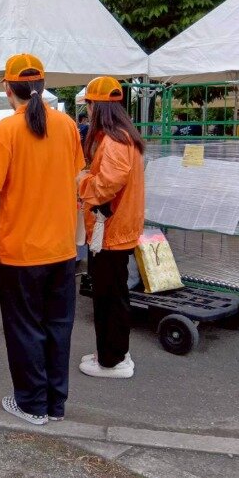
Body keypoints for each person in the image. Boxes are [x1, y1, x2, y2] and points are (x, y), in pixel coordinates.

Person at [0, 54, 85, 426]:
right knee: (58, 328)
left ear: (8, 88)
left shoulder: (5, 131)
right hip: (61, 249)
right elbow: (76, 177)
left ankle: (33, 404)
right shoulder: (67, 125)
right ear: (42, 84)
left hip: (22, 251)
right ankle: (55, 403)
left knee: (25, 330)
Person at [77, 76, 145, 379]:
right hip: (116, 229)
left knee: (109, 298)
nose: (88, 111)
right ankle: (115, 352)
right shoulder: (124, 136)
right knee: (113, 295)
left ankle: (111, 360)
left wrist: (82, 181)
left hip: (111, 231)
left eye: (89, 105)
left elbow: (106, 185)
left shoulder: (114, 141)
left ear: (97, 107)